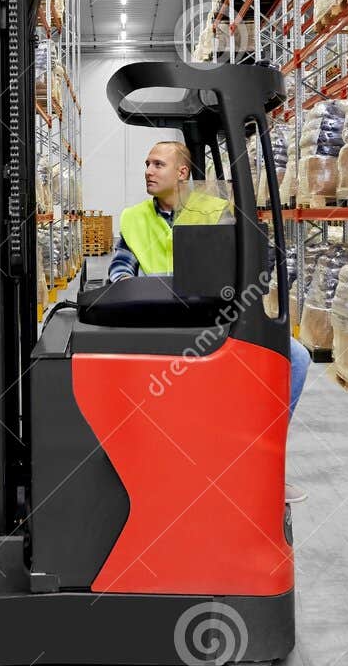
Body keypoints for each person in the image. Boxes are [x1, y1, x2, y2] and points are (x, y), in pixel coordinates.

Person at [108, 141, 312, 503]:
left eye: (158, 164)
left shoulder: (216, 209)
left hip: (215, 315)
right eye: (146, 164)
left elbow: (249, 263)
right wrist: (124, 283)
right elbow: (121, 264)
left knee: (296, 358)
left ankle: (263, 462)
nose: (148, 171)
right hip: (162, 321)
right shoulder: (134, 217)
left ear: (182, 172)